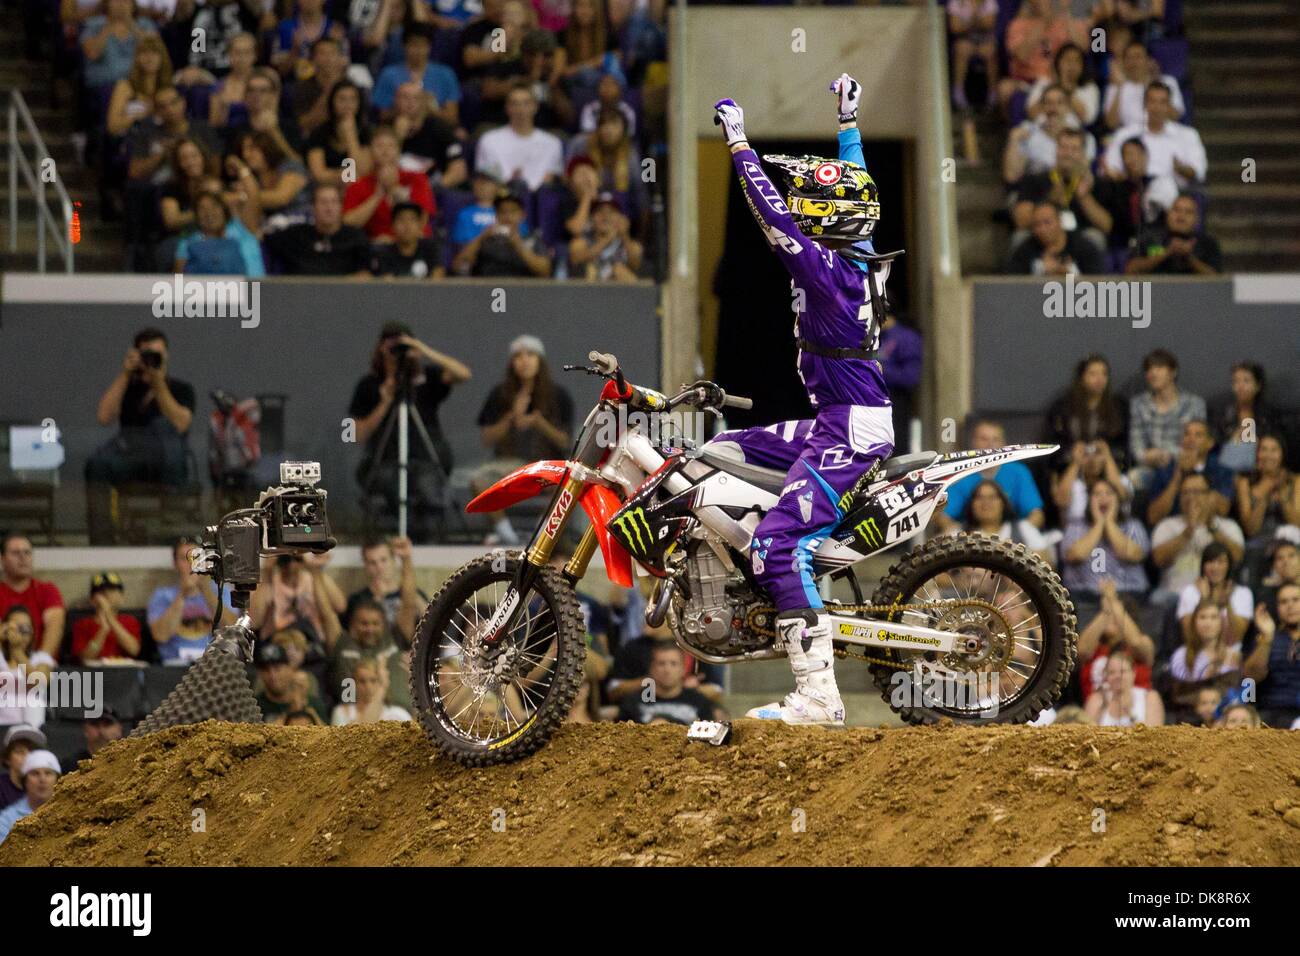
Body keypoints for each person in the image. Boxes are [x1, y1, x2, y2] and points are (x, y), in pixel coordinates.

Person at [704, 80, 895, 726]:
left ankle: (818, 694)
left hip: (850, 431)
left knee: (776, 547)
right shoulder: (858, 251)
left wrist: (738, 144)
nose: (807, 205)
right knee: (718, 451)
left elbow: (770, 217)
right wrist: (848, 122)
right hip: (832, 420)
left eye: (818, 202)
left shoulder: (823, 270)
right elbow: (858, 187)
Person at [348, 322, 471, 539]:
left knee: (427, 488)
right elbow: (356, 435)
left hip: (426, 458)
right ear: (380, 348)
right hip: (385, 460)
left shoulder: (427, 378)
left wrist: (421, 350)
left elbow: (462, 374)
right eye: (391, 345)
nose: (397, 351)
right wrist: (385, 401)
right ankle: (405, 539)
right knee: (394, 485)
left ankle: (426, 540)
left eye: (402, 344)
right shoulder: (369, 385)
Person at [86, 328, 195, 546]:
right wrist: (126, 373)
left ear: (167, 356)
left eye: (157, 354)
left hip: (167, 458)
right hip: (130, 455)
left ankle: (173, 534)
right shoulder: (129, 387)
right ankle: (103, 539)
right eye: (146, 354)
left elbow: (181, 424)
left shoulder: (181, 389)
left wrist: (158, 381)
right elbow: (104, 416)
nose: (151, 359)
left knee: (172, 447)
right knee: (97, 465)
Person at [472, 335, 574, 545]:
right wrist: (510, 419)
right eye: (518, 356)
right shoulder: (499, 394)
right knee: (478, 481)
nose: (524, 360)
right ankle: (506, 535)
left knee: (569, 485)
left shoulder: (558, 395)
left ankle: (542, 536)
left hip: (547, 464)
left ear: (540, 360)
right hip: (507, 463)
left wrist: (539, 423)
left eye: (530, 354)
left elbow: (565, 441)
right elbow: (486, 439)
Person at [1150, 473, 1246, 606]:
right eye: (1185, 492)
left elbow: (1237, 558)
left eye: (1197, 492)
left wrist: (1211, 527)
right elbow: (1159, 560)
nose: (1190, 497)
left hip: (1216, 596)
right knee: (1158, 598)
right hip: (1174, 595)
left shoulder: (1228, 526)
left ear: (1211, 496)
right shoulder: (1166, 525)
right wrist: (1188, 531)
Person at [1127, 348, 1207, 492]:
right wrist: (1147, 456)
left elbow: (1199, 445)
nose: (1153, 373)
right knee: (1132, 478)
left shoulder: (1194, 404)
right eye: (1149, 369)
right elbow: (1136, 447)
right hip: (1151, 468)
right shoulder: (1138, 404)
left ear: (1173, 372)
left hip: (1186, 467)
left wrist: (1166, 454)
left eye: (1159, 367)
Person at [1102, 82, 1206, 189]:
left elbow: (1199, 172)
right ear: (1144, 104)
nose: (1157, 108)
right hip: (1133, 192)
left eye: (1162, 102)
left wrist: (1181, 169)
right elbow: (1111, 168)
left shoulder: (1188, 135)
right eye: (1152, 101)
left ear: (1169, 106)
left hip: (1175, 195)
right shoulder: (1125, 134)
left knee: (1165, 185)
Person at [147, 536, 234, 663]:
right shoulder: (162, 595)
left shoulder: (222, 592)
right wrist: (182, 594)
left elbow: (232, 631)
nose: (191, 564)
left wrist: (206, 591)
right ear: (175, 564)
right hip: (174, 664)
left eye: (196, 558)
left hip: (213, 665)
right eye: (184, 559)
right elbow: (160, 635)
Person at [342, 125, 437, 241]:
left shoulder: (417, 178)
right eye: (379, 146)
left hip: (415, 244)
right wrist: (378, 195)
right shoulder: (358, 186)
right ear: (370, 151)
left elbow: (422, 220)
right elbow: (347, 224)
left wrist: (394, 188)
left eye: (391, 146)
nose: (385, 151)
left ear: (398, 151)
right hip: (379, 248)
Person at [263, 182, 373, 275]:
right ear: (313, 207)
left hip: (343, 297)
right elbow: (258, 236)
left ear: (341, 206)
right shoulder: (296, 236)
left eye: (334, 202)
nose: (329, 208)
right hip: (301, 296)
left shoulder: (356, 237)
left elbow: (365, 275)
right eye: (323, 202)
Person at [473, 82, 564, 191]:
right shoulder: (489, 140)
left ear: (535, 107)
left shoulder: (552, 143)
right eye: (515, 104)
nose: (520, 109)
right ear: (507, 108)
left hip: (538, 200)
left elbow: (550, 180)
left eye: (526, 103)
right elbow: (487, 181)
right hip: (501, 198)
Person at [1074, 579, 1156, 700]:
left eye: (1115, 613)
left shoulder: (1143, 642)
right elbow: (1081, 651)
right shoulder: (1093, 647)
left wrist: (1112, 600)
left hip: (1136, 711)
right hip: (1095, 712)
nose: (1110, 617)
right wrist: (1106, 610)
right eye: (1108, 612)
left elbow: (1135, 642)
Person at [1145, 419, 1234, 525]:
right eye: (1186, 434)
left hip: (1209, 525)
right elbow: (1153, 517)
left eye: (1198, 435)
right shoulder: (1166, 470)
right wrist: (1177, 478)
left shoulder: (1221, 468)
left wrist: (1196, 472)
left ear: (1210, 443)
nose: (1191, 439)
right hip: (1175, 528)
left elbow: (1223, 510)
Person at [615, 643, 725, 726]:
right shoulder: (633, 702)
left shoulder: (700, 702)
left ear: (683, 669)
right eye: (661, 663)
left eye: (673, 664)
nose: (667, 670)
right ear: (652, 669)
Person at [451, 188, 552, 277]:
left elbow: (545, 272)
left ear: (522, 215)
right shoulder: (486, 241)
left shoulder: (532, 240)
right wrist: (480, 238)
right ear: (496, 216)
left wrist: (519, 245)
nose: (507, 217)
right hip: (487, 293)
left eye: (513, 211)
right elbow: (458, 267)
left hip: (522, 293)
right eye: (502, 212)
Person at [344, 537, 426, 645]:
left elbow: (432, 622)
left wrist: (406, 558)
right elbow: (350, 638)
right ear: (366, 566)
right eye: (373, 563)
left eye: (384, 560)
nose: (379, 567)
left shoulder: (413, 593)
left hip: (407, 652)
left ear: (393, 560)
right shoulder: (358, 599)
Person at [952, 480, 1055, 566]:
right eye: (979, 497)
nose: (985, 502)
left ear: (1003, 503)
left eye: (992, 497)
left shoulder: (1024, 529)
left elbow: (1046, 565)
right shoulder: (958, 535)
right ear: (971, 504)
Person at [1243, 584, 1300, 729]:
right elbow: (1249, 678)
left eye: (1296, 600)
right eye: (1284, 602)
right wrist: (1267, 639)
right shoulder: (1265, 637)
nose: (1290, 606)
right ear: (1277, 607)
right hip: (1271, 713)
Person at [0, 535, 65, 658]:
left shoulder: (47, 590)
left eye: (27, 552)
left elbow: (54, 627)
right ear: (2, 559)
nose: (22, 557)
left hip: (42, 665)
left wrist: (43, 660)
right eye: (15, 553)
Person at [1126, 192, 1222, 276]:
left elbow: (1218, 280)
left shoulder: (1208, 243)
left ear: (1197, 219)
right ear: (1168, 214)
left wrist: (1189, 258)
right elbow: (1130, 270)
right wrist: (1167, 253)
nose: (1181, 217)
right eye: (1176, 210)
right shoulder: (1148, 238)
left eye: (1188, 212)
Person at [1004, 200, 1105, 275]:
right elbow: (1011, 285)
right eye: (1037, 224)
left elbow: (1099, 282)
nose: (1042, 229)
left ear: (1060, 221)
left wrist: (1068, 274)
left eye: (1047, 223)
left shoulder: (1082, 246)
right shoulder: (1026, 249)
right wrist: (1041, 271)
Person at [567, 192, 642, 281]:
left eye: (611, 212)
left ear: (619, 217)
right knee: (591, 270)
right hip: (589, 290)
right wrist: (607, 239)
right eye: (600, 212)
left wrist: (625, 236)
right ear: (592, 217)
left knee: (619, 270)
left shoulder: (627, 243)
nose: (605, 217)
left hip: (620, 290)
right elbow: (576, 260)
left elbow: (635, 263)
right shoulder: (581, 242)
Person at [0, 609, 54, 728]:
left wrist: (16, 650)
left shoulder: (40, 658)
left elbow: (39, 682)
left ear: (32, 633)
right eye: (14, 628)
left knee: (34, 700)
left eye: (25, 629)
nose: (19, 634)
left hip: (27, 727)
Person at [72, 572, 142, 662]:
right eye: (102, 592)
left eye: (112, 590)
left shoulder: (130, 621)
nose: (107, 595)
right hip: (95, 674)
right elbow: (86, 658)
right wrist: (103, 630)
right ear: (92, 600)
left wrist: (109, 617)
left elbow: (134, 650)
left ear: (121, 597)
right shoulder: (82, 624)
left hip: (124, 672)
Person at [1084, 651, 1165, 726]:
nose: (1117, 676)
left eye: (1123, 671)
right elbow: (1088, 733)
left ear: (1133, 673)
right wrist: (1102, 709)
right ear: (1106, 676)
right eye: (1112, 672)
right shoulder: (1097, 699)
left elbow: (1154, 736)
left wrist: (1129, 714)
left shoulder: (1149, 697)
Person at [0, 749, 60, 845]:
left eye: (48, 773)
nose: (42, 779)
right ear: (25, 781)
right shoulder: (6, 820)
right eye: (35, 773)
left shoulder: (73, 813)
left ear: (58, 780)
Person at [369, 202, 444, 277]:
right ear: (392, 226)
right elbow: (386, 283)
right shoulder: (384, 253)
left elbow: (438, 276)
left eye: (412, 219)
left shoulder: (431, 249)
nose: (407, 225)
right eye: (401, 220)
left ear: (420, 225)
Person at [330, 657, 411, 725]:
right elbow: (362, 734)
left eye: (373, 680)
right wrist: (382, 687)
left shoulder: (397, 714)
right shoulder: (341, 712)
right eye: (362, 681)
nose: (368, 687)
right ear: (354, 683)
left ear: (379, 681)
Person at [0, 725, 45, 808]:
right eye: (20, 752)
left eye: (32, 751)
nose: (28, 756)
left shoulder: (47, 788)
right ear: (7, 758)